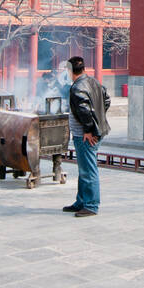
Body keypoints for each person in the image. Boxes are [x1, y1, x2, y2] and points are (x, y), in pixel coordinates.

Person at [63, 55, 110, 217]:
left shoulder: (77, 87)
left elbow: (84, 110)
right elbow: (107, 100)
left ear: (70, 71)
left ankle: (91, 205)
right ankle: (81, 201)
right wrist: (99, 120)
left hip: (85, 135)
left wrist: (89, 130)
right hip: (96, 131)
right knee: (84, 169)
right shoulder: (94, 82)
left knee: (89, 169)